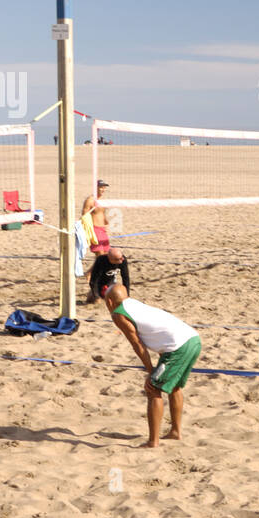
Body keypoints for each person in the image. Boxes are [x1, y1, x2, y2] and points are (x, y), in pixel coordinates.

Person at [102, 284, 202, 448]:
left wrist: (150, 371)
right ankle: (175, 432)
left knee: (153, 389)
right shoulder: (134, 304)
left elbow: (137, 345)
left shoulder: (119, 314)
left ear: (110, 302)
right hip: (193, 339)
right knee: (174, 386)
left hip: (178, 347)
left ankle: (153, 442)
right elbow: (159, 331)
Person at [81, 179, 112, 254]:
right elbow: (84, 216)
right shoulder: (90, 200)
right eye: (101, 187)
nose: (103, 189)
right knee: (100, 256)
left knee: (106, 255)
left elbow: (102, 214)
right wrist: (88, 230)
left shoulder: (102, 200)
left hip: (103, 230)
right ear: (96, 188)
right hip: (95, 229)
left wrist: (106, 222)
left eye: (104, 187)